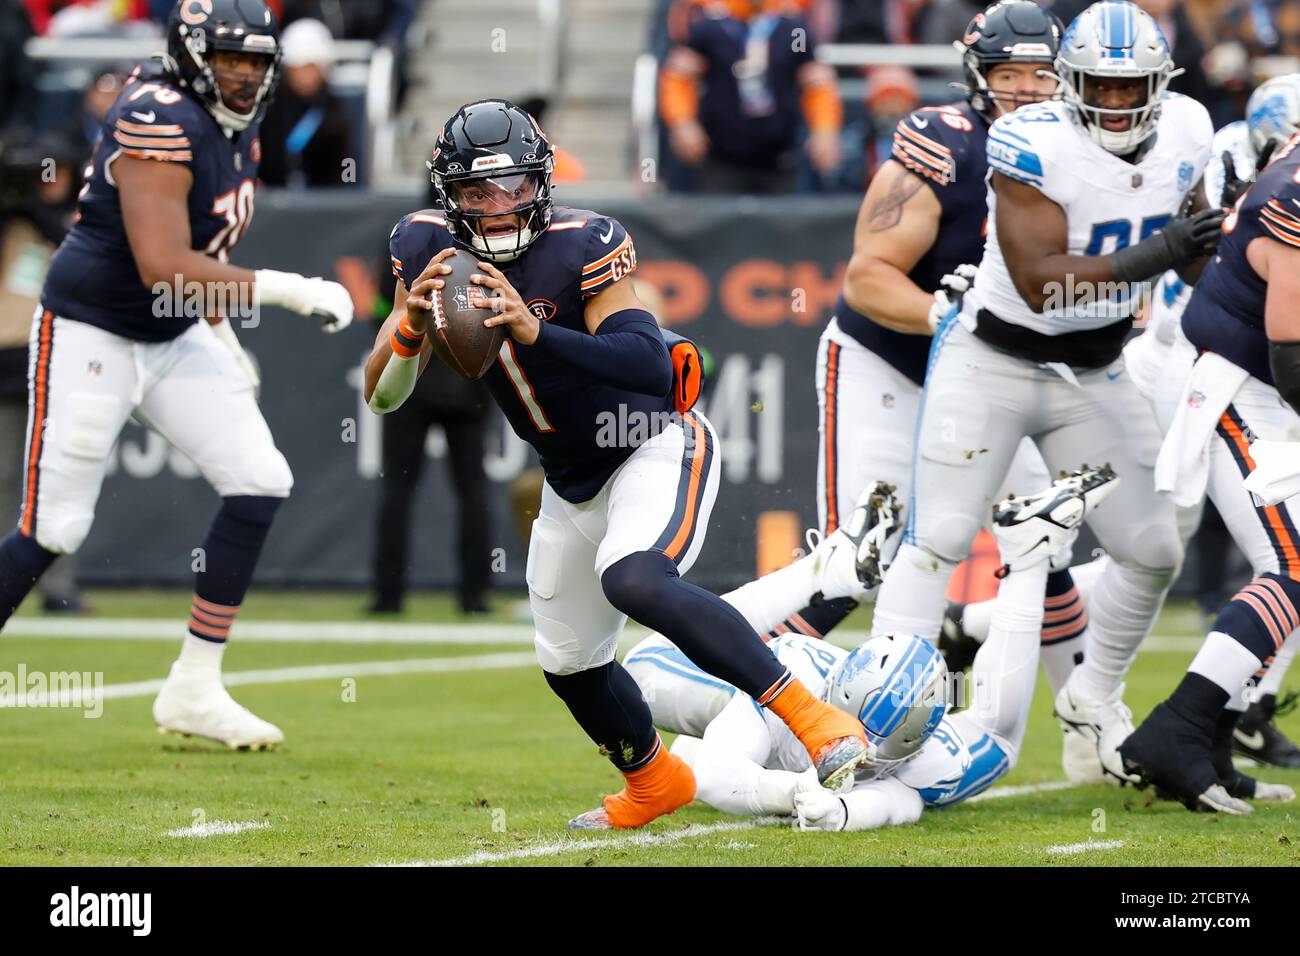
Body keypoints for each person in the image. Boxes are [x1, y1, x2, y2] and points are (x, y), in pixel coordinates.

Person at [366, 99, 876, 830]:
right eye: (478, 193)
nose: (500, 207)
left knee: (634, 577)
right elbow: (382, 397)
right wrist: (411, 328)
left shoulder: (584, 243)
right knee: (570, 663)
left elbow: (648, 364)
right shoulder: (424, 246)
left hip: (652, 441)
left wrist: (534, 330)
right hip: (569, 480)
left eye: (514, 187)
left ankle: (813, 717)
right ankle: (654, 781)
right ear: (449, 197)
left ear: (541, 182)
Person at [867, 1, 1221, 786]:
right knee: (942, 538)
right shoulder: (1031, 139)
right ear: (1072, 82)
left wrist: (1218, 246)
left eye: (1134, 88)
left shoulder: (1192, 131)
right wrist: (1155, 252)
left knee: (1156, 548)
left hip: (1094, 370)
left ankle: (1093, 698)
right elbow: (1037, 283)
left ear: (1161, 86)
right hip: (992, 358)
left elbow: (1195, 251)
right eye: (1102, 84)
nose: (1118, 102)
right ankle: (877, 724)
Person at [0, 0, 354, 749]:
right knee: (56, 525)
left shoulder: (236, 121)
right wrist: (287, 290)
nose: (245, 75)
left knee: (261, 479)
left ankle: (194, 686)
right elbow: (163, 265)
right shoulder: (158, 113)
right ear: (193, 57)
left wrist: (222, 335)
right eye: (230, 60)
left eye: (257, 62)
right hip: (92, 328)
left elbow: (205, 252)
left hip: (173, 331)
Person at [628, 468, 1204, 830]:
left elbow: (898, 804)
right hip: (771, 687)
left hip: (868, 720)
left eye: (879, 750)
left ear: (918, 735)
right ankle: (819, 573)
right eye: (854, 736)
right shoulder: (795, 676)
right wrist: (791, 793)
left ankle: (1028, 557)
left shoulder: (925, 757)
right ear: (833, 701)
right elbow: (709, 773)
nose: (857, 756)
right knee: (641, 675)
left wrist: (844, 811)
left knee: (997, 742)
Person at [1120, 86, 1300, 812]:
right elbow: (1291, 350)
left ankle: (1211, 739)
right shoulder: (1295, 192)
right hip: (1231, 381)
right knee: (1292, 562)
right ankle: (1178, 729)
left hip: (1263, 382)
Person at [0, 131, 85, 613]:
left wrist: (37, 211)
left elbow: (66, 239)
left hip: (59, 357)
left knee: (59, 478)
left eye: (56, 171)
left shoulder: (83, 221)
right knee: (4, 477)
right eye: (39, 172)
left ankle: (59, 587)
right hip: (7, 359)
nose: (47, 181)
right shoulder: (10, 221)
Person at [659, 0, 842, 193]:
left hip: (780, 159)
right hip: (722, 159)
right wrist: (683, 122)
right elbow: (679, 76)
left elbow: (816, 83)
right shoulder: (712, 26)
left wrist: (825, 129)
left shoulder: (792, 28)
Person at [257, 17, 356, 188]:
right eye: (302, 67)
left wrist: (345, 193)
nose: (308, 76)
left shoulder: (335, 114)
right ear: (288, 68)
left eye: (313, 67)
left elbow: (347, 168)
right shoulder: (267, 111)